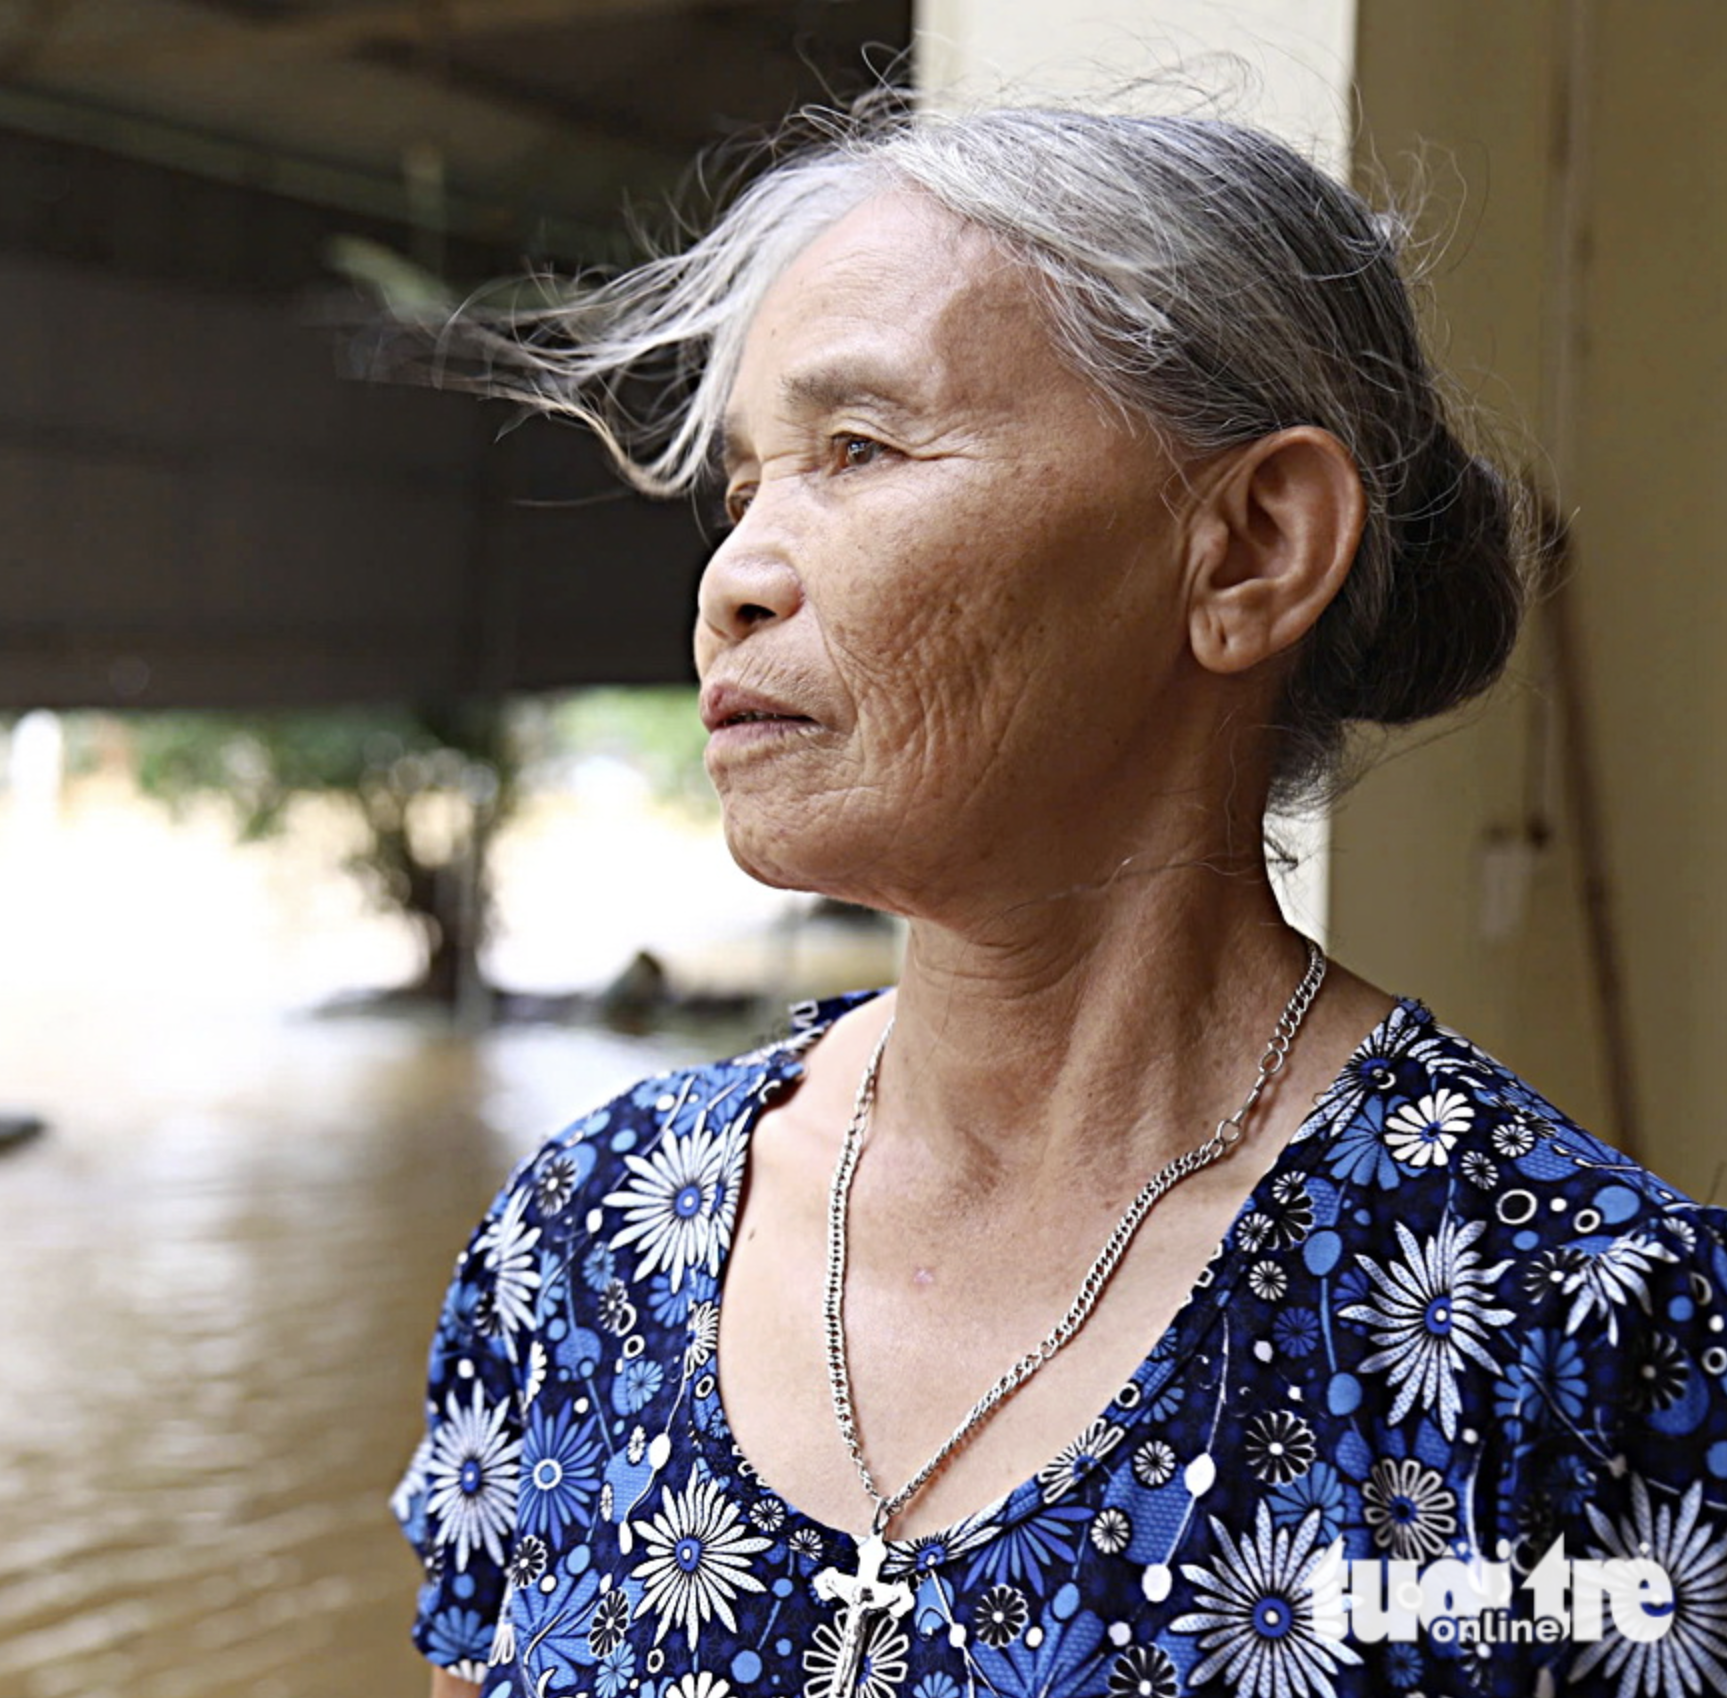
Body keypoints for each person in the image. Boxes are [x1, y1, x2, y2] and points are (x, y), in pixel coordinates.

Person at [389, 96, 1727, 1698]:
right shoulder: (587, 1243)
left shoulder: (1567, 1337)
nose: (731, 575)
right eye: (745, 486)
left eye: (859, 449)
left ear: (1245, 549)